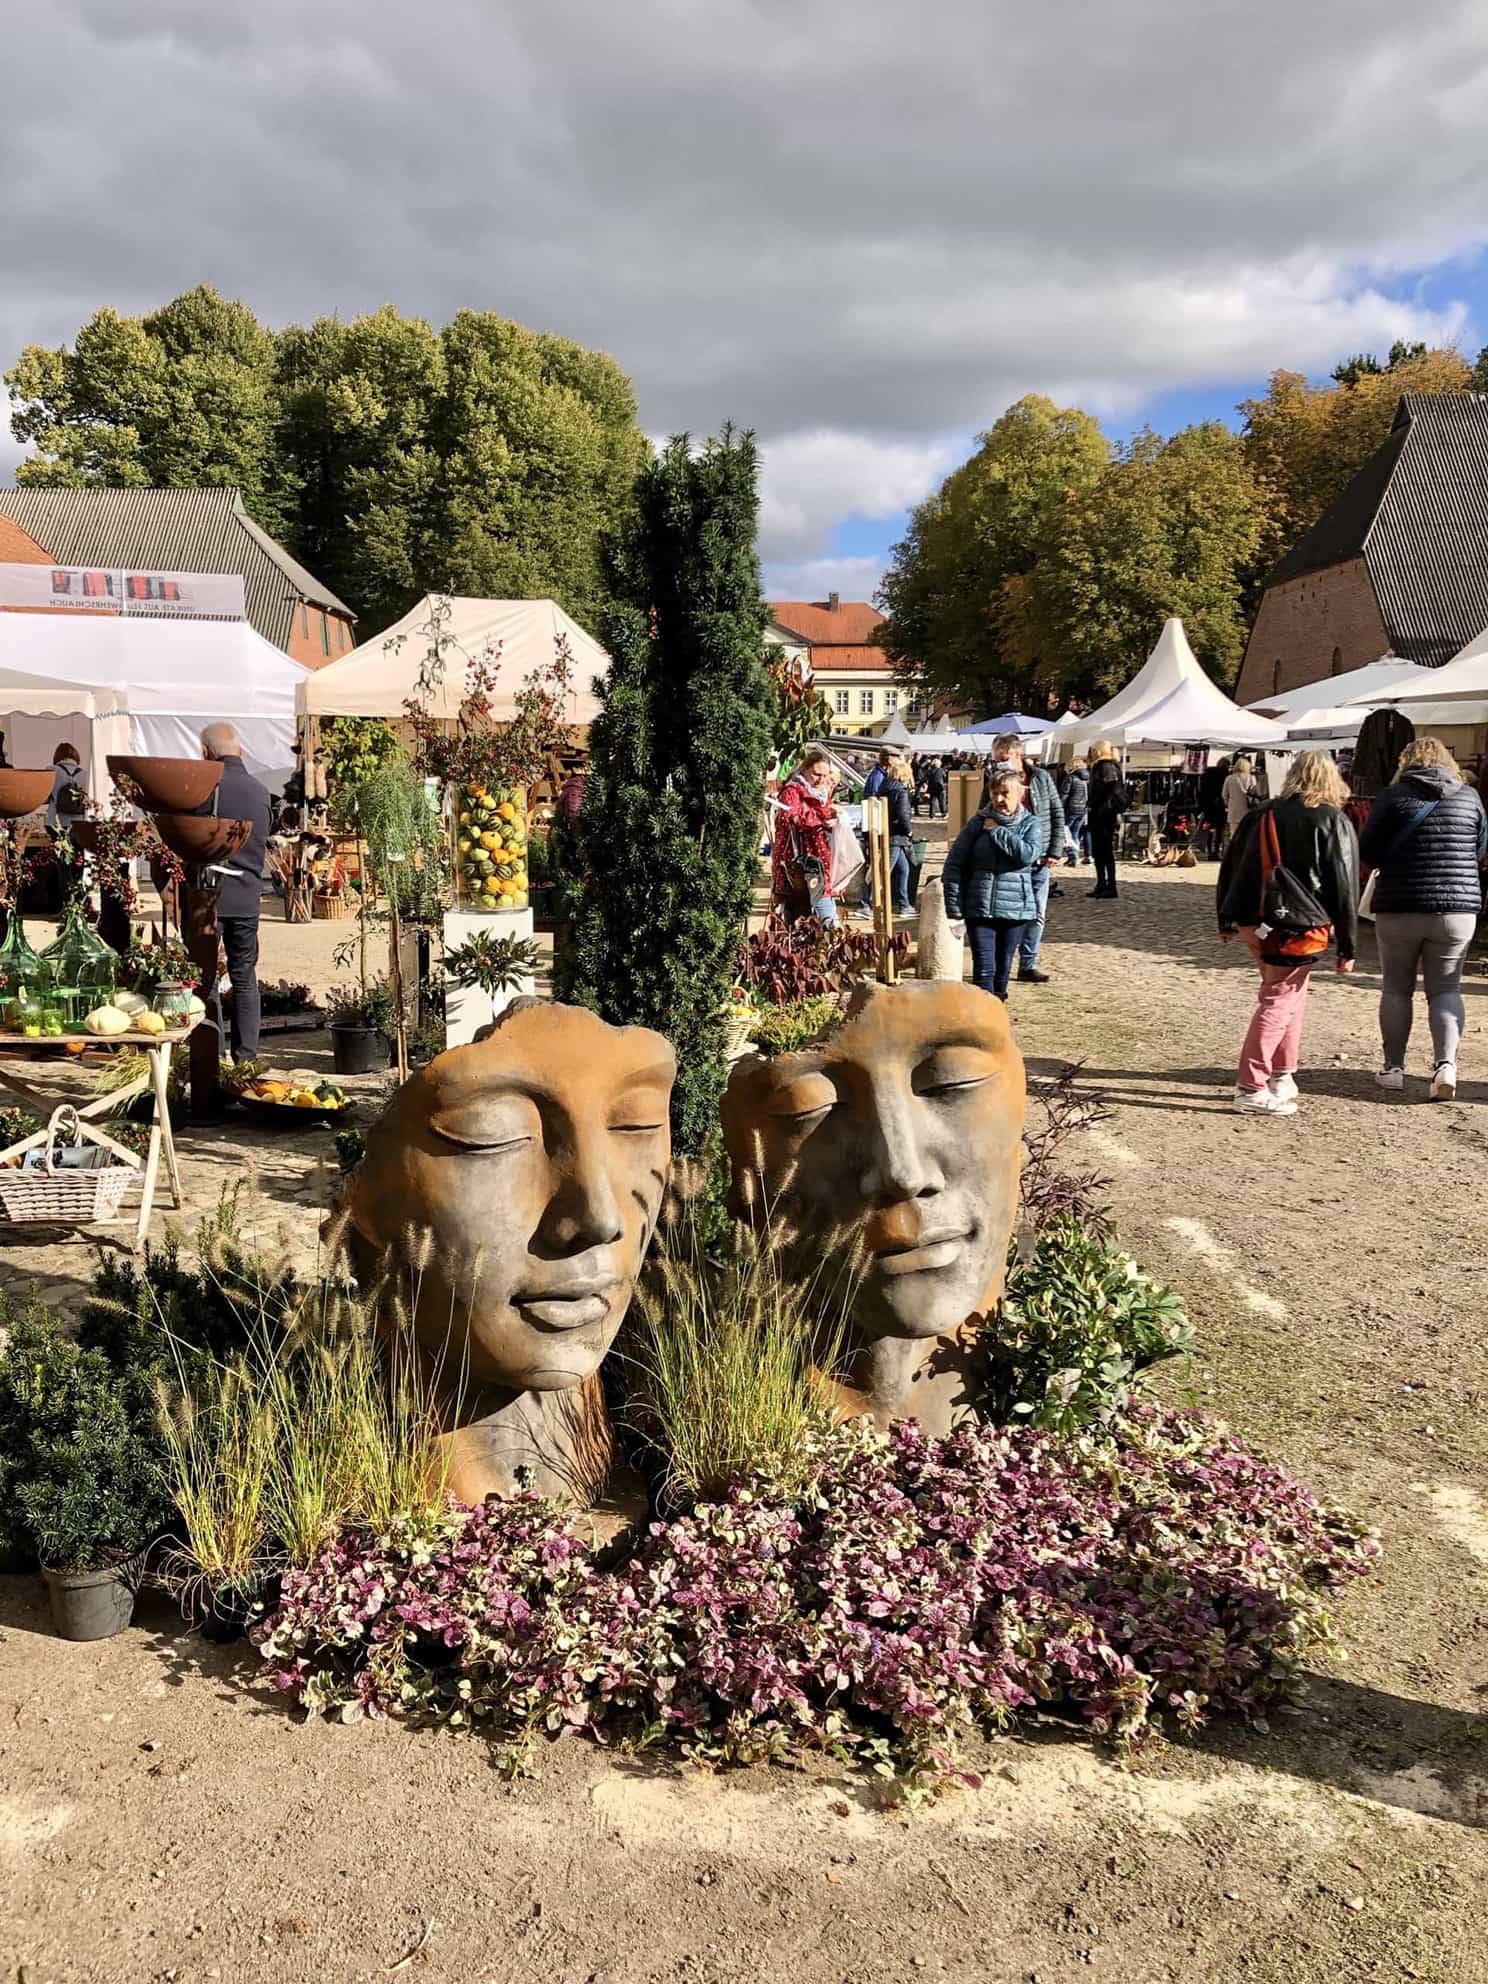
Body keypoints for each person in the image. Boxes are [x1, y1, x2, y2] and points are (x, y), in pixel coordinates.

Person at [1217, 751, 1358, 1117]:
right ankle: (1252, 1085)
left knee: (1288, 995)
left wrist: (1226, 918)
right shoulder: (1331, 819)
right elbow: (1343, 885)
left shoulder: (1261, 814)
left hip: (1255, 918)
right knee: (1280, 998)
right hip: (1300, 923)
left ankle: (1282, 1073)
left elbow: (1230, 864)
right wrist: (1348, 942)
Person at [1360, 737, 1487, 1100]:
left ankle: (1393, 1068)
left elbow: (1367, 849)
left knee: (1396, 988)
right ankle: (1445, 1065)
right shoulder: (1469, 796)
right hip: (1457, 909)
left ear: (1406, 762)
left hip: (1399, 904)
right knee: (1446, 988)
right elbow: (1480, 848)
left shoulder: (1393, 796)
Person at [200, 722, 271, 1064]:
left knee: (208, 977)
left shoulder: (204, 788)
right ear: (240, 750)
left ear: (206, 751)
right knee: (244, 976)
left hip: (210, 895)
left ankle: (211, 1060)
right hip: (246, 894)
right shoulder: (260, 791)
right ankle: (246, 1060)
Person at [942, 769, 1041, 1000]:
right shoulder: (977, 823)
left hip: (1015, 909)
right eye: (994, 793)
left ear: (1019, 795)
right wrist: (954, 907)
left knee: (1002, 969)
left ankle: (996, 1019)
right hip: (980, 908)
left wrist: (997, 831)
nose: (998, 799)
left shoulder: (1030, 824)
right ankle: (981, 1022)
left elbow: (1027, 855)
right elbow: (954, 864)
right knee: (984, 970)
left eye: (1005, 793)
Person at [982, 734, 1063, 983]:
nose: (998, 764)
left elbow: (1056, 812)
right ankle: (999, 964)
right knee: (1003, 913)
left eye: (1002, 759)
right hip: (1007, 857)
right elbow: (982, 813)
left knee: (1037, 913)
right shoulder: (993, 779)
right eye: (996, 759)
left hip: (1038, 856)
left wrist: (1055, 849)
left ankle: (1027, 964)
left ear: (1016, 754)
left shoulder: (1040, 778)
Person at [771, 747, 840, 926]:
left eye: (825, 775)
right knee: (829, 925)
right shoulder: (792, 791)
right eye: (817, 774)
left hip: (817, 863)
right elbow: (790, 818)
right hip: (802, 866)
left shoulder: (821, 794)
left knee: (797, 924)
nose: (821, 780)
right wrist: (821, 821)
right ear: (805, 769)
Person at [1085, 742, 1128, 899]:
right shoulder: (1103, 766)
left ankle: (1110, 885)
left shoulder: (1106, 765)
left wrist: (1096, 802)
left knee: (1104, 850)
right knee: (1099, 851)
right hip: (1101, 812)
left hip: (1104, 813)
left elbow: (1109, 785)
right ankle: (1102, 883)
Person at [882, 756, 915, 914]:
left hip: (890, 833)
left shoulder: (885, 786)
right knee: (884, 870)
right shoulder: (900, 791)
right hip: (897, 835)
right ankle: (865, 903)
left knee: (904, 868)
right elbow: (903, 814)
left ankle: (904, 904)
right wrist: (908, 829)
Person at [45, 742, 87, 834]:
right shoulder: (85, 774)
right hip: (79, 823)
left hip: (54, 822)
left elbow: (44, 797)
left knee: (58, 847)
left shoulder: (51, 770)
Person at [1221, 754, 1256, 847]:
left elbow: (1224, 795)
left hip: (1234, 810)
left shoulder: (1229, 778)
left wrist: (1228, 804)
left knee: (1234, 834)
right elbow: (1256, 793)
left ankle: (1234, 853)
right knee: (1247, 833)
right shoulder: (1251, 778)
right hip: (1248, 810)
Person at [1058, 760, 1088, 865]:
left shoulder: (1070, 778)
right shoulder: (1087, 778)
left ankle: (1072, 855)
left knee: (1065, 832)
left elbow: (1064, 794)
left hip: (1070, 808)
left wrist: (1059, 807)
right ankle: (1074, 855)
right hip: (1083, 809)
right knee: (1075, 833)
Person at [923, 754, 948, 820]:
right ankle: (944, 814)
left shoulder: (929, 771)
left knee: (932, 802)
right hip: (940, 787)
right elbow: (945, 778)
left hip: (932, 788)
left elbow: (926, 779)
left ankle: (931, 815)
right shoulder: (942, 770)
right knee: (942, 802)